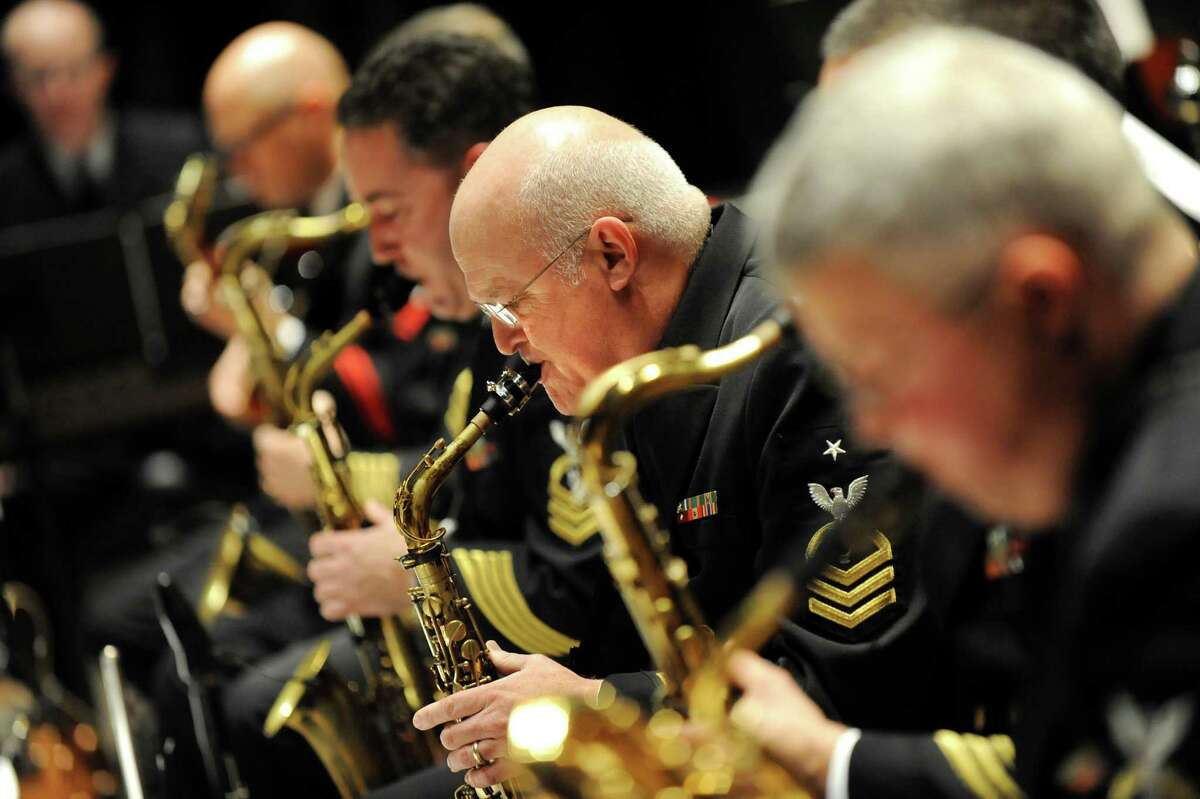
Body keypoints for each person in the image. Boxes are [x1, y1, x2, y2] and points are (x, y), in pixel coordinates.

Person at [400, 104, 928, 793]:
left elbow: (841, 688)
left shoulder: (799, 356)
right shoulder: (647, 357)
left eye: (508, 307)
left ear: (613, 254)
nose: (503, 344)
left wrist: (596, 708)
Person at [740, 25, 1200, 796]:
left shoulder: (1170, 531)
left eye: (879, 372)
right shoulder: (1114, 443)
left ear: (1040, 302)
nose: (872, 425)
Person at [0, 0, 203, 228]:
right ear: (13, 87)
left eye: (73, 71)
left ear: (105, 69)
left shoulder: (184, 153)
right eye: (37, 77)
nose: (57, 93)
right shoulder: (5, 189)